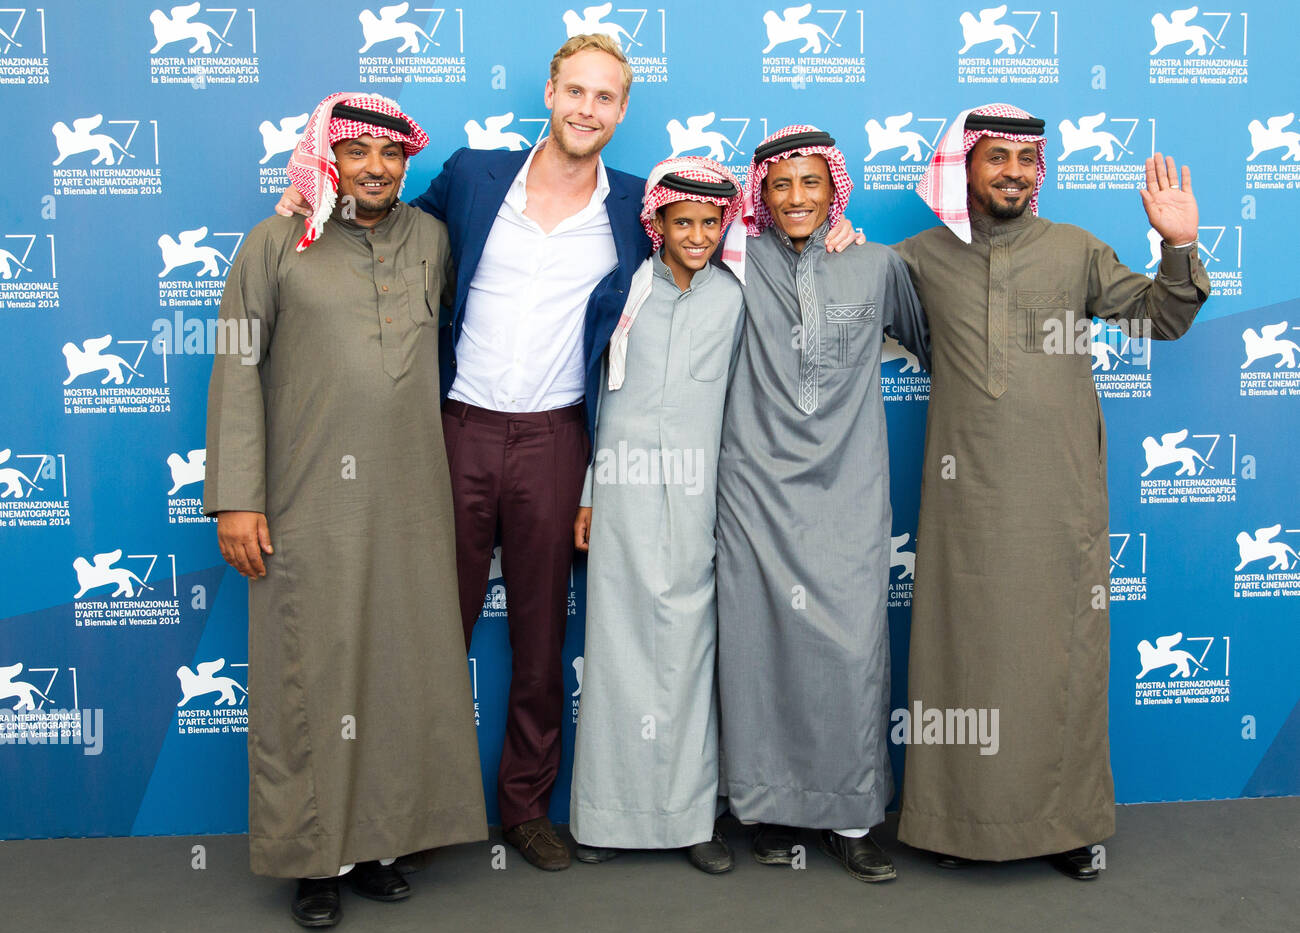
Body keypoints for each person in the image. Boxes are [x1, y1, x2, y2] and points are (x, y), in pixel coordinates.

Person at [275, 39, 863, 871]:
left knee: (541, 639)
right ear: (550, 93)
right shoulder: (473, 178)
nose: (588, 109)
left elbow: (734, 243)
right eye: (576, 91)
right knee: (419, 628)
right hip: (453, 431)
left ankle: (525, 808)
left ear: (622, 113)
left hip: (558, 440)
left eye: (606, 98)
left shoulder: (638, 206)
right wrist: (309, 199)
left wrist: (838, 231)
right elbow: (384, 234)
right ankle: (391, 821)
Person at [893, 103, 1209, 879]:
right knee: (962, 654)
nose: (1012, 172)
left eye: (1026, 161)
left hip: (1057, 496)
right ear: (963, 167)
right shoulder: (919, 257)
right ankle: (955, 820)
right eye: (996, 158)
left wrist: (1178, 244)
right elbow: (844, 308)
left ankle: (1065, 823)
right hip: (964, 500)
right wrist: (833, 251)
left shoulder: (1074, 251)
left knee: (1057, 656)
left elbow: (1160, 318)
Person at [204, 92, 486, 928]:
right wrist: (237, 499)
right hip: (306, 498)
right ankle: (311, 858)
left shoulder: (432, 240)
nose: (375, 167)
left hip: (411, 499)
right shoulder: (274, 243)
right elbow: (235, 368)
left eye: (390, 154)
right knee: (313, 670)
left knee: (396, 668)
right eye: (357, 151)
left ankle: (379, 845)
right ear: (327, 156)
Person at [715, 125, 929, 883]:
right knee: (759, 647)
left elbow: (940, 342)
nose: (797, 198)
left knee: (851, 651)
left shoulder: (875, 264)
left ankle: (850, 815)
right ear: (760, 193)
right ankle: (770, 809)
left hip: (848, 490)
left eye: (812, 183)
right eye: (781, 183)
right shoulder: (734, 257)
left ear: (834, 187)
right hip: (755, 493)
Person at [569, 157, 745, 874]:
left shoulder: (738, 297)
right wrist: (585, 491)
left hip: (704, 497)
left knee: (690, 654)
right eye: (684, 223)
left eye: (710, 223)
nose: (698, 235)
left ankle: (691, 817)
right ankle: (607, 817)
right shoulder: (622, 292)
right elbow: (592, 402)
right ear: (658, 224)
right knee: (614, 652)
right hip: (619, 494)